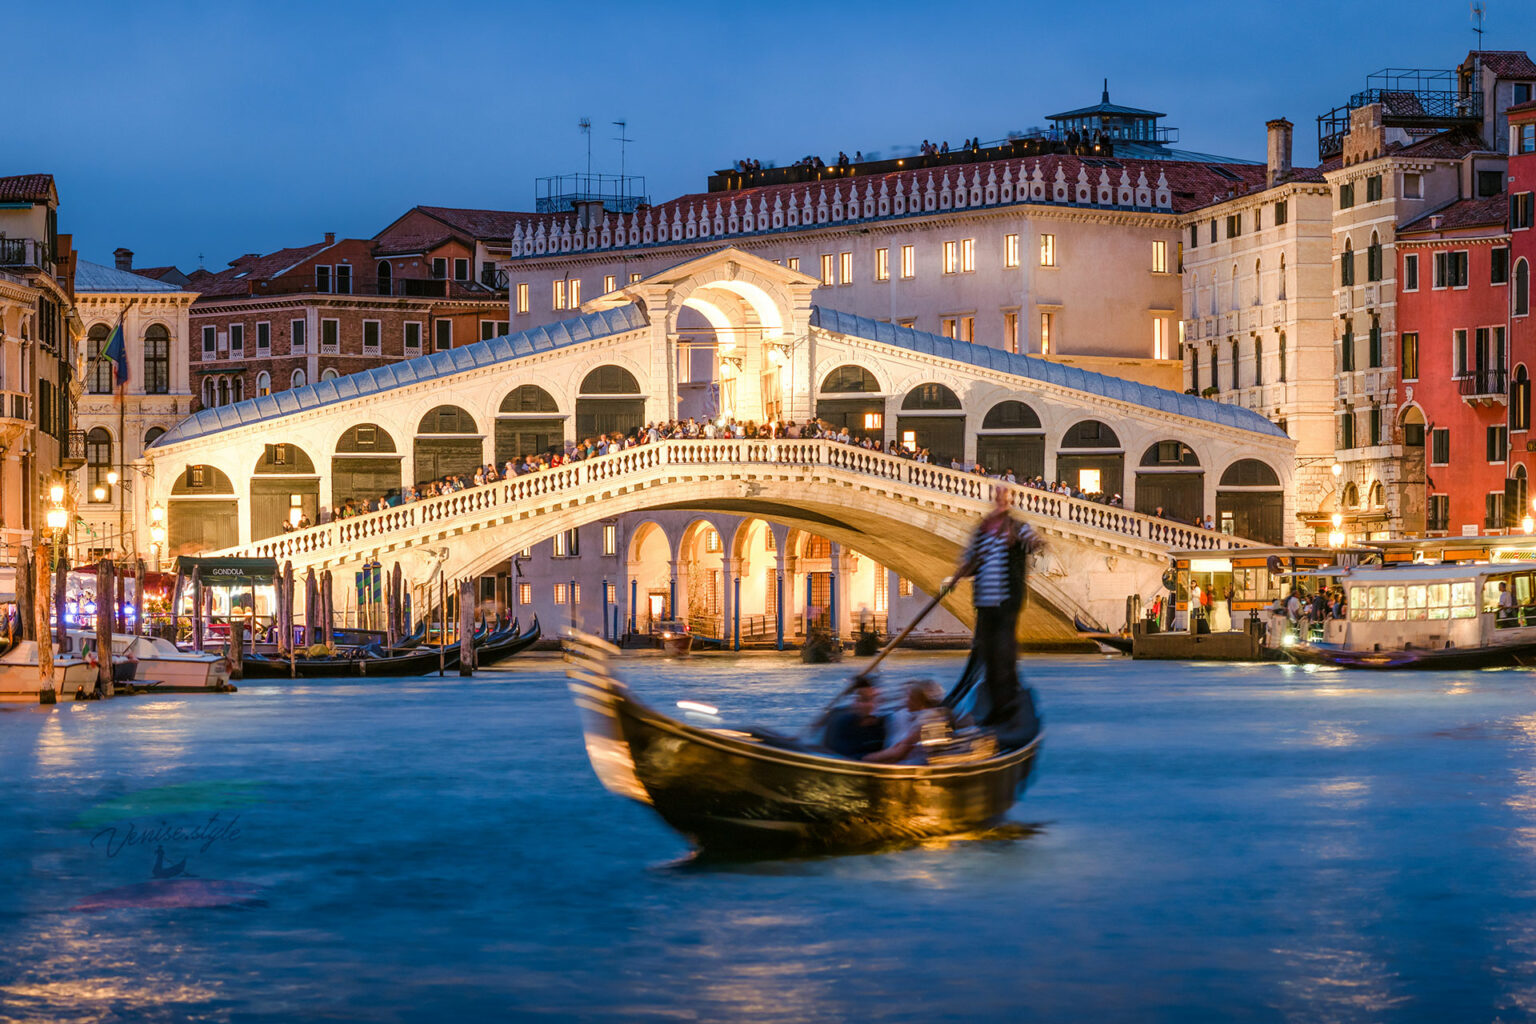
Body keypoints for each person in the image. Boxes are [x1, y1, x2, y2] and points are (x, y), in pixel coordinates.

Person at [948, 485, 1043, 726]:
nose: (1001, 500)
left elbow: (1037, 544)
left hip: (1006, 601)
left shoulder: (1018, 527)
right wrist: (956, 578)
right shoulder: (981, 529)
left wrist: (1022, 541)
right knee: (988, 654)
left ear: (1010, 501)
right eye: (999, 497)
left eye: (1005, 497)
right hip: (984, 602)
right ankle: (993, 707)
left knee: (1003, 653)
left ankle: (1005, 707)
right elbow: (969, 560)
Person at [864, 681, 949, 764]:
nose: (906, 701)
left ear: (920, 702)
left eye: (910, 697)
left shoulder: (927, 719)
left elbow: (899, 753)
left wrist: (864, 759)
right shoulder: (922, 716)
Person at [824, 678, 886, 758]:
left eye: (874, 699)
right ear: (854, 702)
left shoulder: (883, 724)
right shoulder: (841, 723)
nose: (871, 705)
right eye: (863, 700)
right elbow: (846, 758)